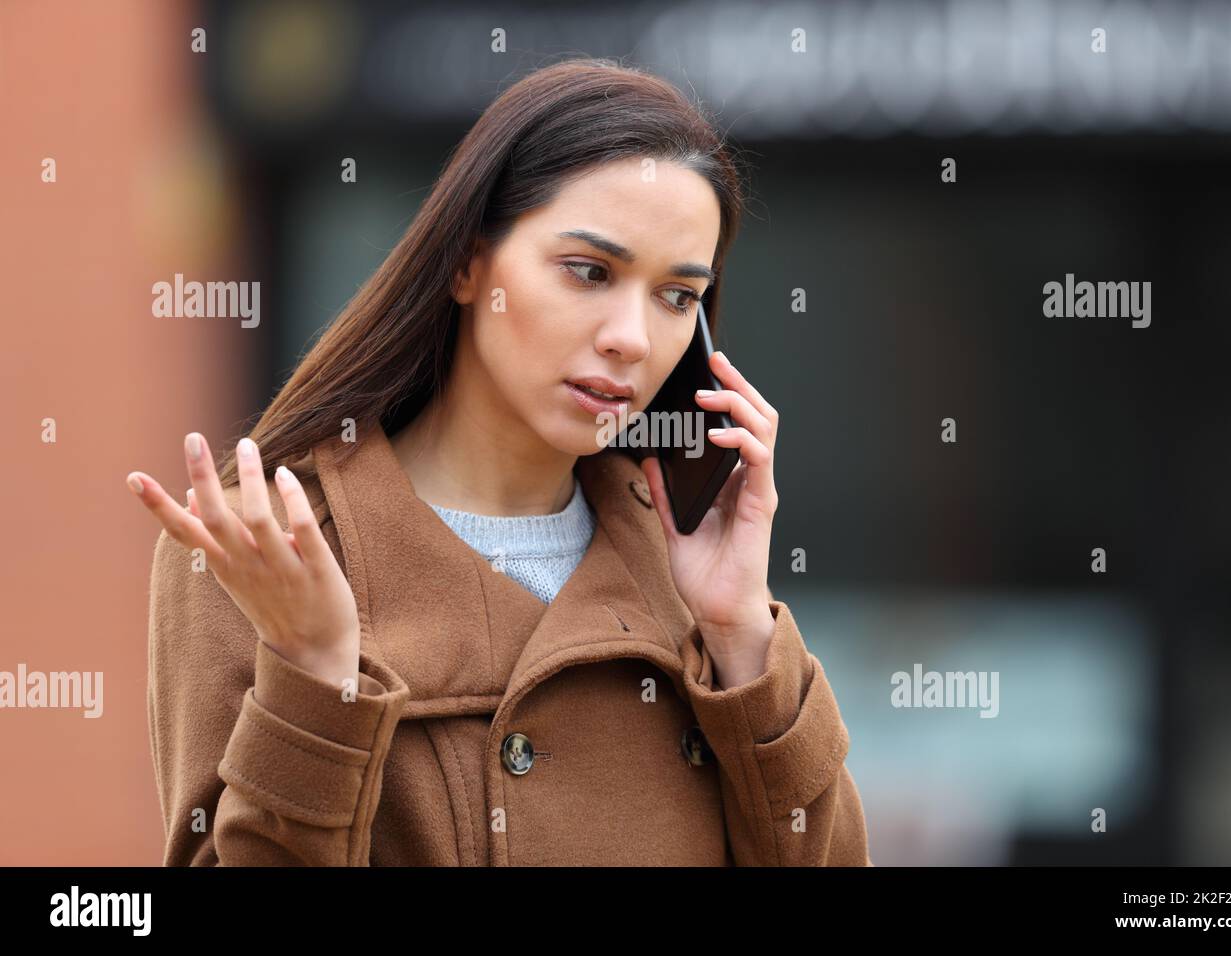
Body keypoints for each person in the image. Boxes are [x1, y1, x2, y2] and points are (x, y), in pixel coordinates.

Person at [126, 56, 871, 866]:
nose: (632, 337)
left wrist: (741, 634)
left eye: (677, 296)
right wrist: (316, 681)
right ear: (467, 263)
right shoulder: (270, 548)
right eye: (589, 272)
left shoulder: (686, 565)